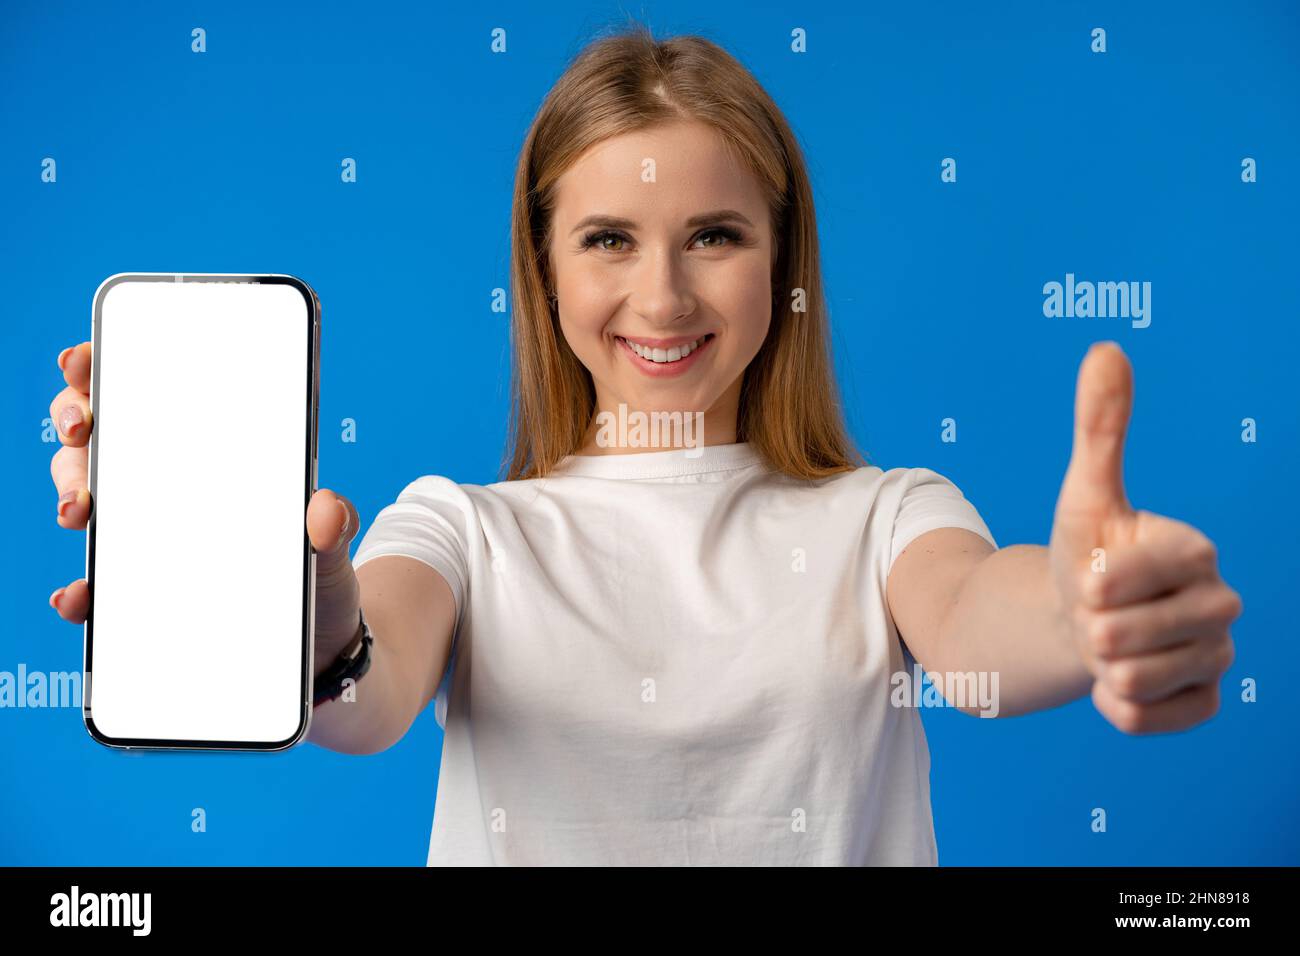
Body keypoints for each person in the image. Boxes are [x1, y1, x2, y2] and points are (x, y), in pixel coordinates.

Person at [46, 25, 1241, 866]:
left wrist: (1085, 607)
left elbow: (982, 619)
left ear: (783, 266)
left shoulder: (885, 514)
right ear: (544, 268)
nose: (662, 297)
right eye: (608, 239)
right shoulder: (463, 526)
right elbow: (366, 693)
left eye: (713, 234)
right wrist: (279, 589)